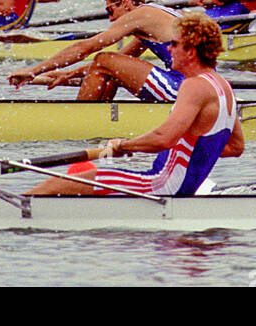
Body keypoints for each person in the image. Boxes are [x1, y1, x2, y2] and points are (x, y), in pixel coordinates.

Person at [27, 13, 244, 196]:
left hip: (161, 184)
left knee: (53, 185)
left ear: (191, 51)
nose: (169, 50)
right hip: (183, 186)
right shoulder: (223, 86)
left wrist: (123, 145)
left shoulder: (194, 86)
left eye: (175, 44)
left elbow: (163, 139)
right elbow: (235, 147)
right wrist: (190, 156)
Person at [8, 0, 185, 101]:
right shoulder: (154, 16)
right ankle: (100, 119)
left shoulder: (141, 15)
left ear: (125, 3)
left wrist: (33, 71)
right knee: (110, 65)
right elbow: (121, 59)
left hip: (183, 90)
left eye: (110, 10)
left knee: (103, 59)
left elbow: (84, 48)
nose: (110, 19)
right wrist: (70, 74)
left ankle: (80, 121)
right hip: (195, 86)